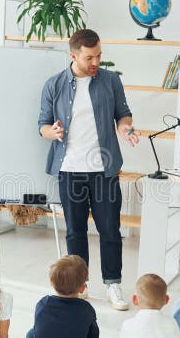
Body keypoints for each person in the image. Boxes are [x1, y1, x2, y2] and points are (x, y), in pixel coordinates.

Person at [38, 28, 139, 311]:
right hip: (69, 169)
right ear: (74, 55)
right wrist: (52, 132)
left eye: (99, 56)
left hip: (104, 169)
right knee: (75, 231)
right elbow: (42, 125)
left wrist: (126, 127)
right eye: (89, 57)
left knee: (110, 229)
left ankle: (112, 285)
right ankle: (78, 285)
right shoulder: (54, 85)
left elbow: (123, 113)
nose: (96, 62)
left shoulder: (110, 81)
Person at [25, 255, 111, 338]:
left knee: (31, 334)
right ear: (83, 288)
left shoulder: (43, 304)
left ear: (51, 282)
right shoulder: (86, 309)